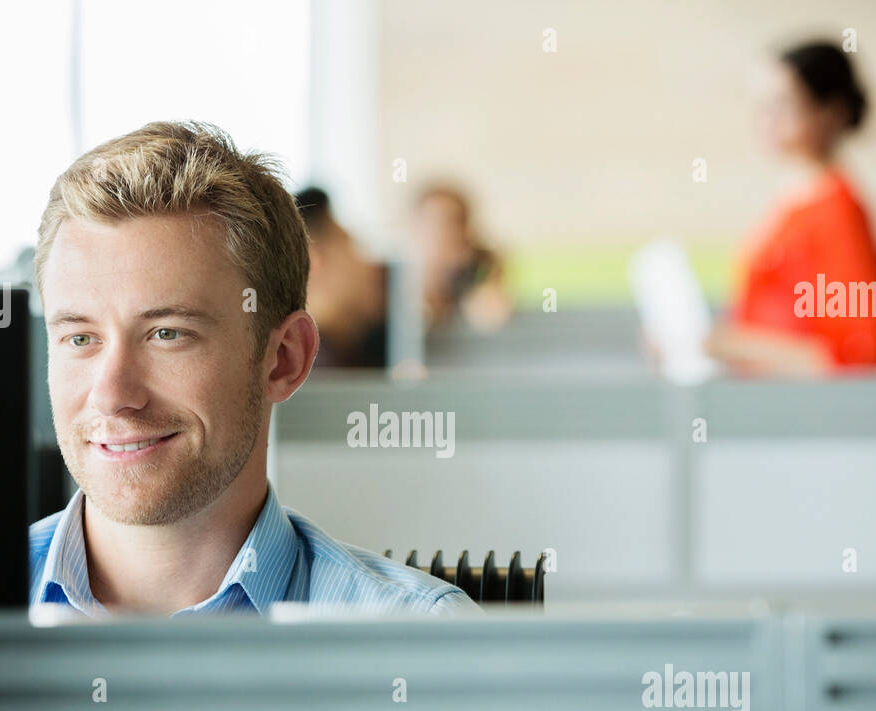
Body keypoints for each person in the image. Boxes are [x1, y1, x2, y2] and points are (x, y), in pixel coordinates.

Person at [28, 121, 479, 619]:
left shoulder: (416, 637)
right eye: (80, 339)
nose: (112, 395)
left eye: (168, 334)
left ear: (285, 358)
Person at [706, 41, 876, 375]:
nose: (766, 120)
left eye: (782, 105)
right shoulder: (792, 202)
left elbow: (863, 360)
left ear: (830, 113)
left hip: (811, 416)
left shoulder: (836, 213)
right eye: (761, 105)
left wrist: (729, 344)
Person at [295, 186, 388, 368]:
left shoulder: (354, 354)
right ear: (315, 261)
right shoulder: (300, 371)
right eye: (352, 247)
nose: (369, 266)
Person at [410, 184, 513, 333]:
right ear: (416, 228)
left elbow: (491, 315)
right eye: (440, 224)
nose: (450, 234)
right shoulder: (396, 283)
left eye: (458, 224)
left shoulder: (478, 274)